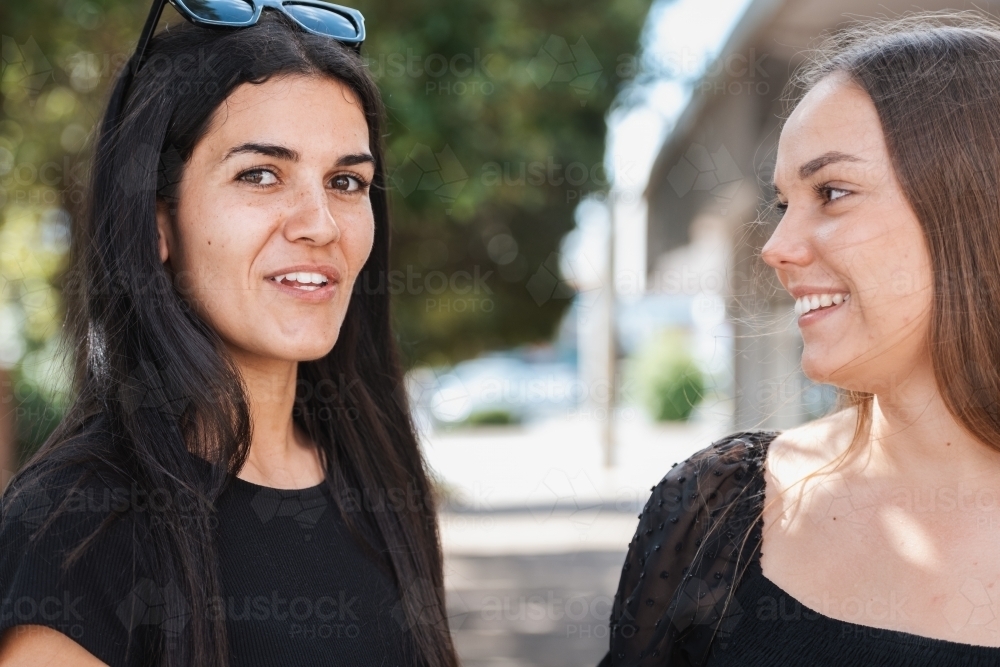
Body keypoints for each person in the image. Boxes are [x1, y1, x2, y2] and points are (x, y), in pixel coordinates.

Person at [0, 1, 459, 666]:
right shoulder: (72, 529)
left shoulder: (377, 481)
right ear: (158, 222)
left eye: (346, 181)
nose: (321, 223)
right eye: (261, 174)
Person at [602, 13, 1000, 666]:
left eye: (833, 192)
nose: (776, 248)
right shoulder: (713, 512)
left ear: (977, 207)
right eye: (785, 202)